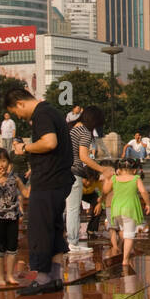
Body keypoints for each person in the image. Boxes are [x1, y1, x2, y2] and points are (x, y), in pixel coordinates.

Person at [4, 87, 74, 295]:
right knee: (53, 228)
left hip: (48, 181)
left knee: (40, 229)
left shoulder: (41, 114)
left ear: (19, 103)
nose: (19, 116)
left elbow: (49, 142)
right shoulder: (52, 111)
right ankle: (55, 277)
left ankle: (43, 278)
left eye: (16, 112)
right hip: (59, 180)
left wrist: (25, 148)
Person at [68, 106, 109, 253]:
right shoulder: (85, 131)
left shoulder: (71, 128)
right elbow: (84, 157)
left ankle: (63, 240)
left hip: (62, 171)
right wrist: (102, 169)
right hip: (74, 172)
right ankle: (72, 242)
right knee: (73, 209)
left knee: (66, 209)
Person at [0, 148, 29, 284]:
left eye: (3, 161)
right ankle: (0, 277)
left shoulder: (14, 179)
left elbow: (26, 193)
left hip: (12, 216)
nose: (0, 164)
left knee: (12, 246)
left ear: (9, 163)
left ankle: (10, 275)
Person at [103, 158, 150, 265]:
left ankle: (121, 249)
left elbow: (105, 190)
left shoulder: (115, 178)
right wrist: (148, 204)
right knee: (129, 236)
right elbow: (143, 191)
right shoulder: (136, 178)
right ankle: (125, 260)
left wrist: (107, 179)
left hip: (116, 209)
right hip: (130, 209)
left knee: (124, 230)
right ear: (134, 170)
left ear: (119, 169)